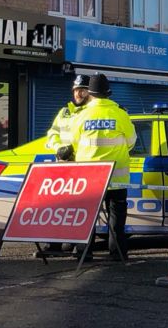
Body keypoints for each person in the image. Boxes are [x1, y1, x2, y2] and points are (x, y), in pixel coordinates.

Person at [62, 74, 136, 262]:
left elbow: (74, 144)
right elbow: (131, 142)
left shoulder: (81, 115)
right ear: (108, 93)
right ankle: (117, 252)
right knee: (116, 216)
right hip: (116, 177)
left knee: (87, 216)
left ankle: (83, 252)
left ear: (91, 94)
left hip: (89, 177)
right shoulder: (120, 113)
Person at [40, 75, 89, 256]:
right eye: (76, 90)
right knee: (58, 207)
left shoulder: (91, 112)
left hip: (82, 166)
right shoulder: (64, 112)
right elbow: (52, 133)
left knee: (79, 209)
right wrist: (59, 148)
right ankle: (54, 245)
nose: (79, 93)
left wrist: (74, 150)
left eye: (82, 89)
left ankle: (78, 244)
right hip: (62, 166)